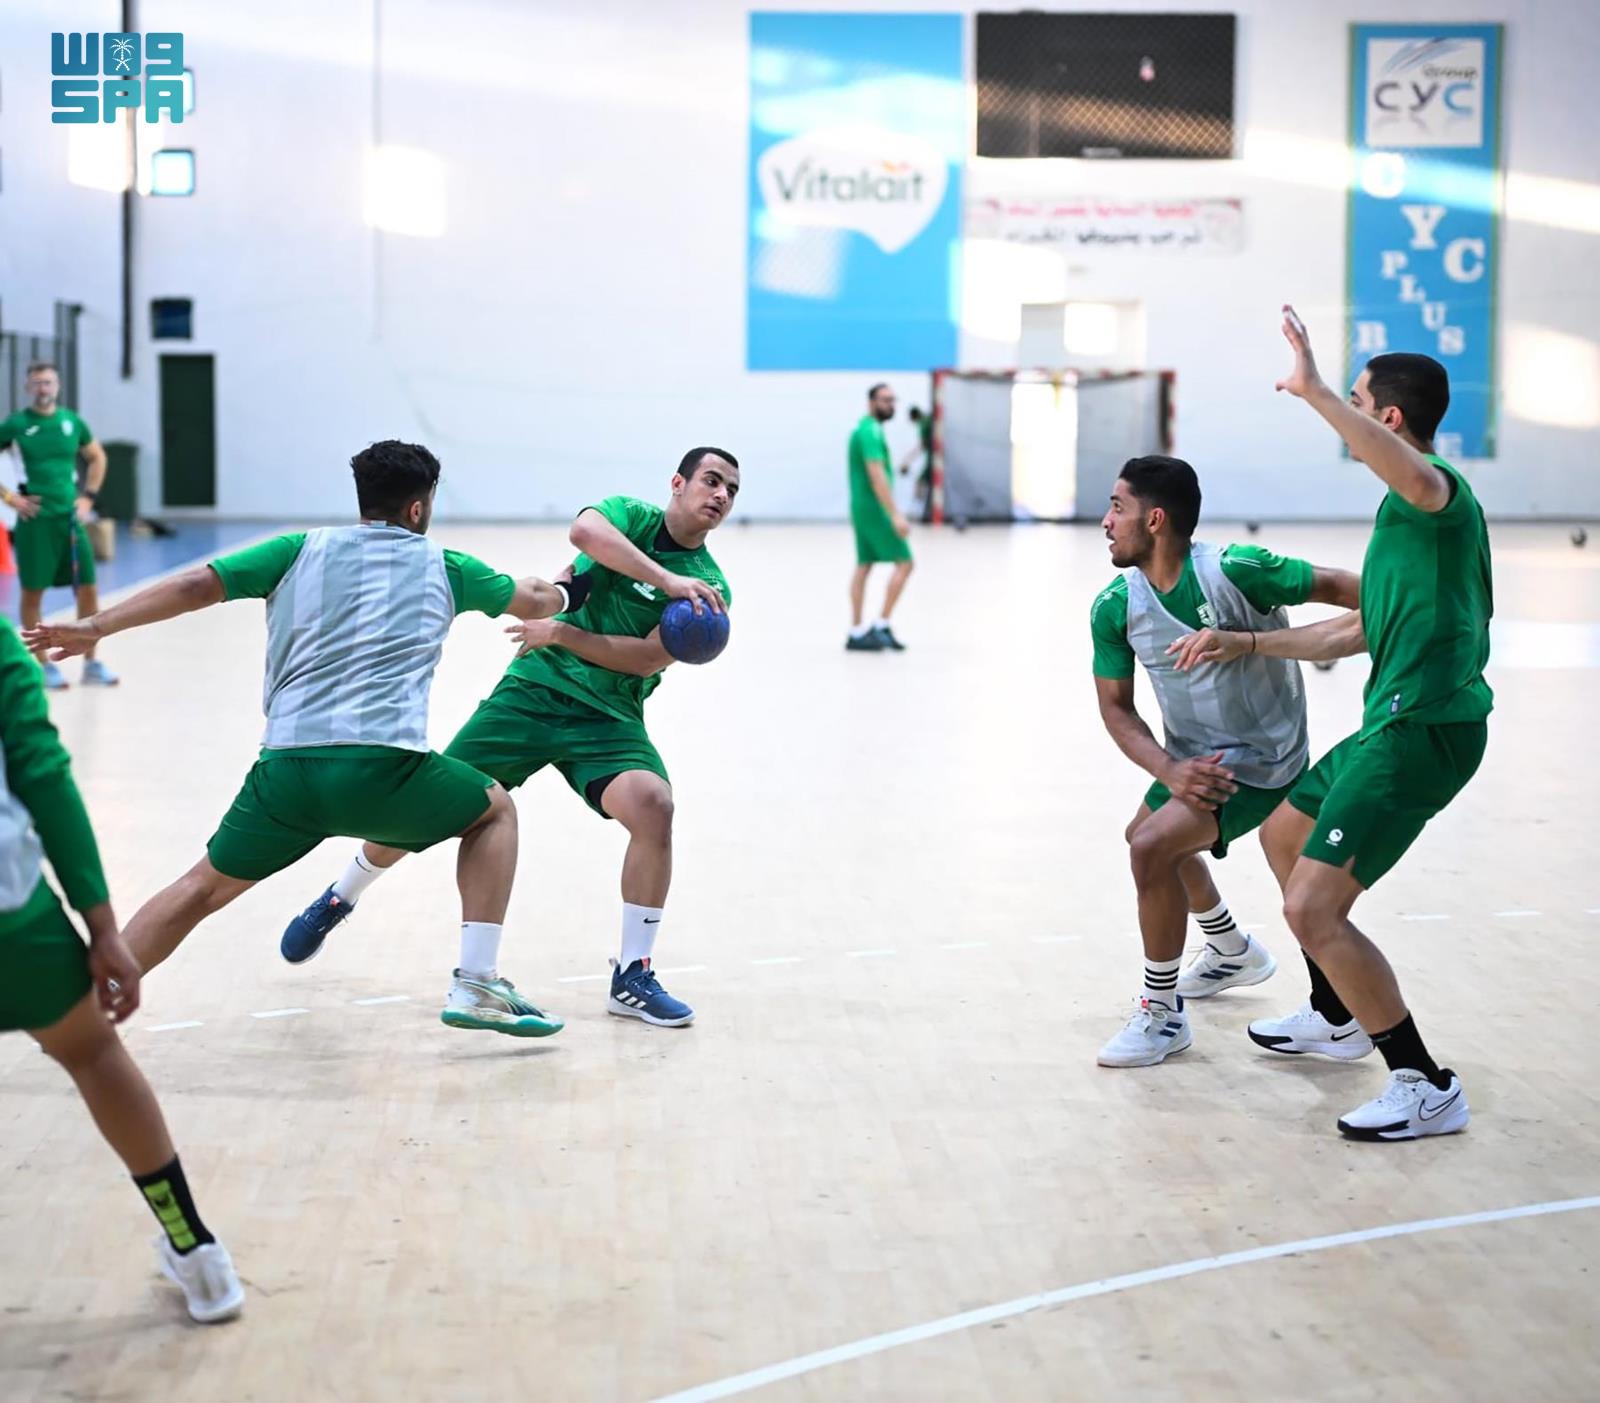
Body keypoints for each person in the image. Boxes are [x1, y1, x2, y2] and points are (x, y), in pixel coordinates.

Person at [27, 440, 570, 1038]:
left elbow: (191, 587)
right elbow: (539, 600)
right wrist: (576, 586)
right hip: (383, 772)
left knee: (199, 889)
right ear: (419, 509)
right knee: (493, 812)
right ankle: (475, 980)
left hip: (285, 772)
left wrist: (95, 625)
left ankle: (77, 1006)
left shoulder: (297, 550)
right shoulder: (448, 567)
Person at [1169, 307, 1492, 1141]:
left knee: (1313, 908)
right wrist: (1247, 640)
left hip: (1426, 729)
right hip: (1389, 720)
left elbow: (1420, 476)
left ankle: (1424, 1081)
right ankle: (1335, 1011)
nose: (1345, 414)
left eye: (1356, 402)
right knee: (1284, 832)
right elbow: (1353, 630)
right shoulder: (1398, 521)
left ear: (1387, 417)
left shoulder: (1436, 495)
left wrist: (1311, 389)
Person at [281, 447, 736, 1029]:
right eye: (711, 481)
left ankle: (633, 975)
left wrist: (565, 633)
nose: (720, 496)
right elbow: (585, 532)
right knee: (428, 807)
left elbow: (647, 659)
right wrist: (663, 579)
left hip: (607, 717)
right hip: (530, 695)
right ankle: (341, 896)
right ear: (678, 483)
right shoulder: (630, 516)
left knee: (655, 806)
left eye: (731, 490)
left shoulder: (710, 586)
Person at [1, 616, 243, 1322]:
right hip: (12, 916)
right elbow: (41, 772)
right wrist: (103, 925)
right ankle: (196, 1252)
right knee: (93, 1052)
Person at [1091, 454, 1361, 1067]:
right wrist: (1168, 770)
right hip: (1195, 761)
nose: (1106, 522)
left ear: (1155, 519)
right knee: (1146, 837)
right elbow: (1116, 709)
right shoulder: (1115, 605)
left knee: (1152, 848)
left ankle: (1162, 1016)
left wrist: (1403, 619)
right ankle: (1231, 947)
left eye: (1117, 507)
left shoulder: (1238, 570)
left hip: (1265, 760)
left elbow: (1353, 589)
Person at [0, 362, 115, 689]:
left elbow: (97, 457)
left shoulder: (71, 422)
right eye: (36, 383)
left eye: (48, 382)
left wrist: (88, 497)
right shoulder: (17, 425)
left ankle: (92, 663)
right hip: (35, 523)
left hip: (69, 521)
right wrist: (10, 498)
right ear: (28, 388)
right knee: (33, 593)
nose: (43, 388)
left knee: (88, 588)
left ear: (58, 386)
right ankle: (44, 665)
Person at [846, 384, 913, 652]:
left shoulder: (864, 429)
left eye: (892, 400)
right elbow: (876, 475)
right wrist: (895, 514)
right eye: (885, 400)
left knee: (865, 565)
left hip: (862, 507)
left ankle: (856, 630)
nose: (890, 405)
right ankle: (881, 624)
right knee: (905, 562)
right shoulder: (870, 431)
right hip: (874, 509)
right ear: (871, 401)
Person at [901, 405, 935, 523]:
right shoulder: (929, 420)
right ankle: (924, 509)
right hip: (934, 458)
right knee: (925, 484)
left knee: (920, 483)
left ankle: (918, 511)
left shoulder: (923, 424)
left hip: (933, 460)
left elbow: (921, 447)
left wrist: (906, 462)